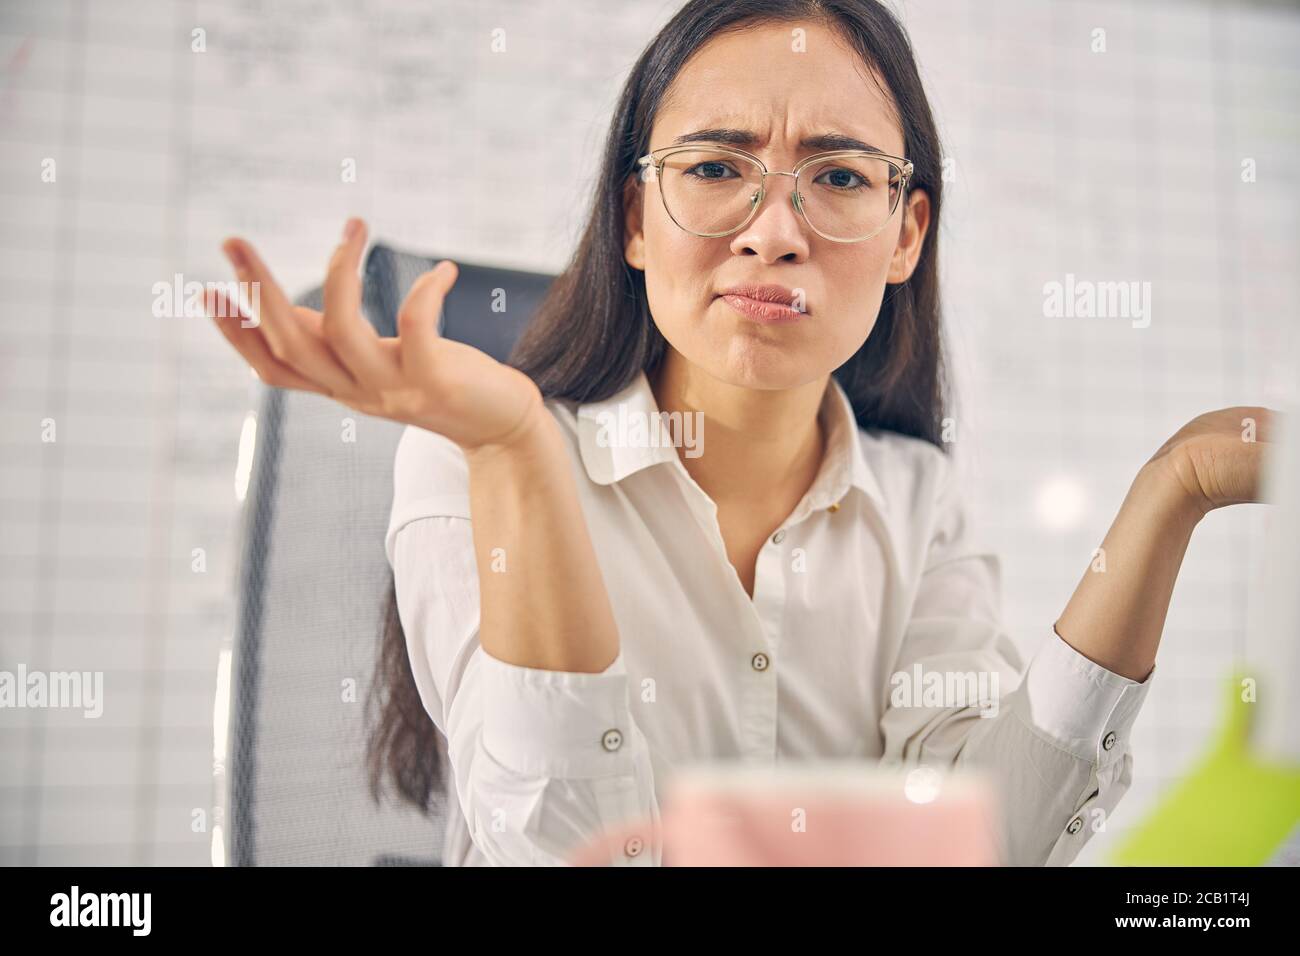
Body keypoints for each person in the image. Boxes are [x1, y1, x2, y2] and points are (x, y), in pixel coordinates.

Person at [206, 0, 1275, 866]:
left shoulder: (914, 498)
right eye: (716, 168)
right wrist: (520, 454)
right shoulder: (472, 455)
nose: (773, 232)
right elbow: (565, 848)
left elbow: (986, 841)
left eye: (840, 177)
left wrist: (1171, 487)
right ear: (632, 217)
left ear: (907, 234)